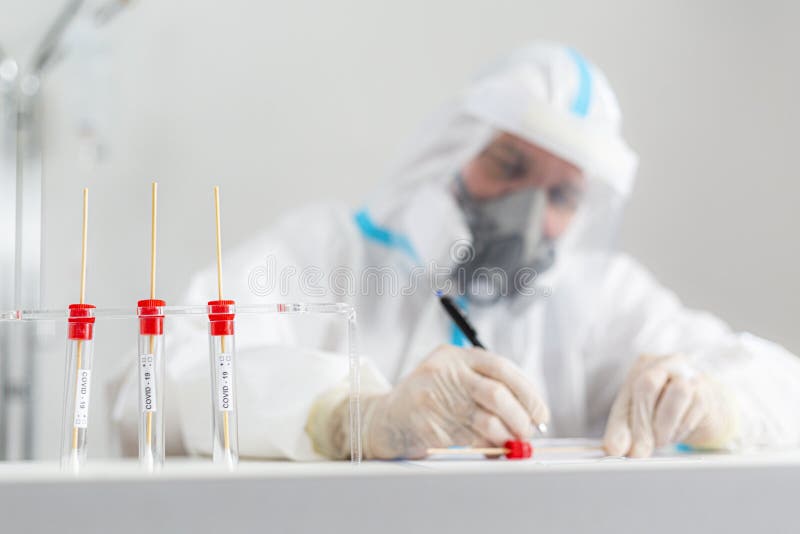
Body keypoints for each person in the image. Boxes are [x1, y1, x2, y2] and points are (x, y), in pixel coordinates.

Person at [113, 41, 800, 460]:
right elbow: (151, 382)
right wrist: (346, 417)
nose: (529, 214)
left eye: (562, 196)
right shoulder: (326, 253)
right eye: (507, 166)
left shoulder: (600, 298)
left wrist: (717, 404)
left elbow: (786, 392)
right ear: (450, 151)